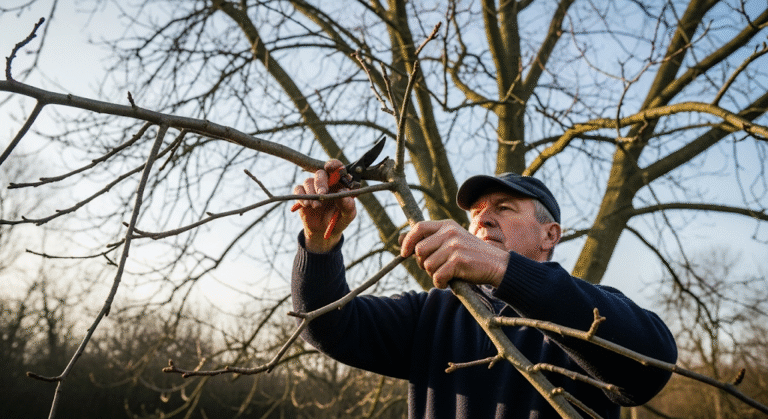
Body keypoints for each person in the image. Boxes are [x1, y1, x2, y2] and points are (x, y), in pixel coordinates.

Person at [291, 160, 677, 419]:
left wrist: (504, 269)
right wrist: (319, 240)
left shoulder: (587, 310)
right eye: (475, 215)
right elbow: (326, 324)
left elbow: (650, 368)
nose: (483, 219)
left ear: (550, 235)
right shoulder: (430, 313)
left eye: (504, 208)